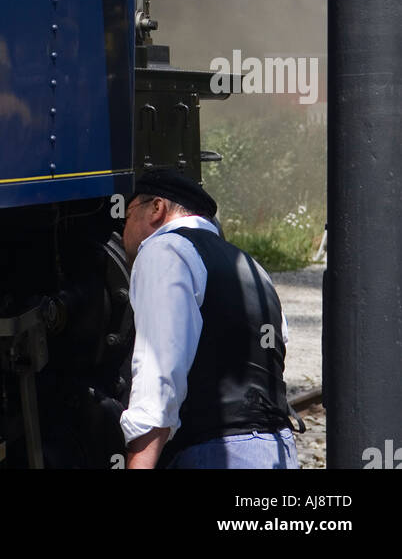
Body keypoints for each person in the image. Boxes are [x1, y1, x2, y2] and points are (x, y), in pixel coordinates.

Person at [119, 167, 298, 470]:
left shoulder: (164, 250)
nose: (123, 228)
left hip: (215, 455)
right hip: (277, 449)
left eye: (126, 215)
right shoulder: (252, 267)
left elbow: (159, 377)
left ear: (156, 209)